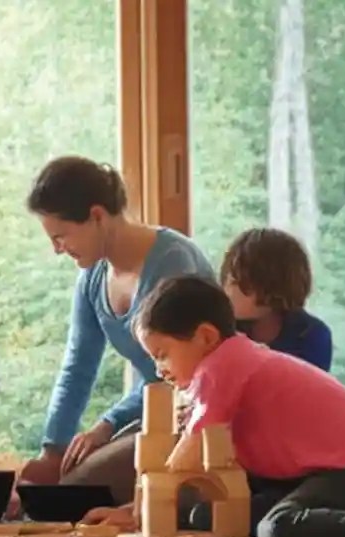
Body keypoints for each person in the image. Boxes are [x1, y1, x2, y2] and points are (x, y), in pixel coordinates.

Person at [83, 277, 345, 537]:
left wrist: (141, 513)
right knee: (206, 513)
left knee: (279, 528)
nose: (159, 369)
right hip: (311, 474)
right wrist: (138, 511)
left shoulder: (222, 365)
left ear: (205, 337)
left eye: (163, 354)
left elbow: (185, 458)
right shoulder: (228, 362)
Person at [17, 156, 215, 504]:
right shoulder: (92, 278)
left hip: (200, 415)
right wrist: (53, 449)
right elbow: (77, 368)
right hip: (153, 415)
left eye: (61, 236)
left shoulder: (172, 261)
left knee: (80, 490)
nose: (57, 249)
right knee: (65, 480)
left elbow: (172, 374)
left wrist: (107, 424)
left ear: (96, 216)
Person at [220, 227, 332, 371]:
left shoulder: (311, 335)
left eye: (239, 283)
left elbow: (307, 390)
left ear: (275, 286)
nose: (229, 292)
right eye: (228, 281)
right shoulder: (218, 331)